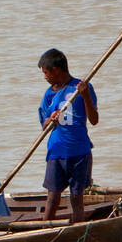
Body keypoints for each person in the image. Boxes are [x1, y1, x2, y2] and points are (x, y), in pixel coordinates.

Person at [38, 48, 98, 222]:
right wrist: (51, 119)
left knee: (76, 198)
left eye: (46, 72)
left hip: (79, 151)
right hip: (56, 152)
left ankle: (77, 232)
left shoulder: (81, 87)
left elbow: (94, 120)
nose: (45, 77)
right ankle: (45, 231)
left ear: (56, 70)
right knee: (52, 197)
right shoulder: (49, 94)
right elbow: (44, 125)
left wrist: (85, 95)